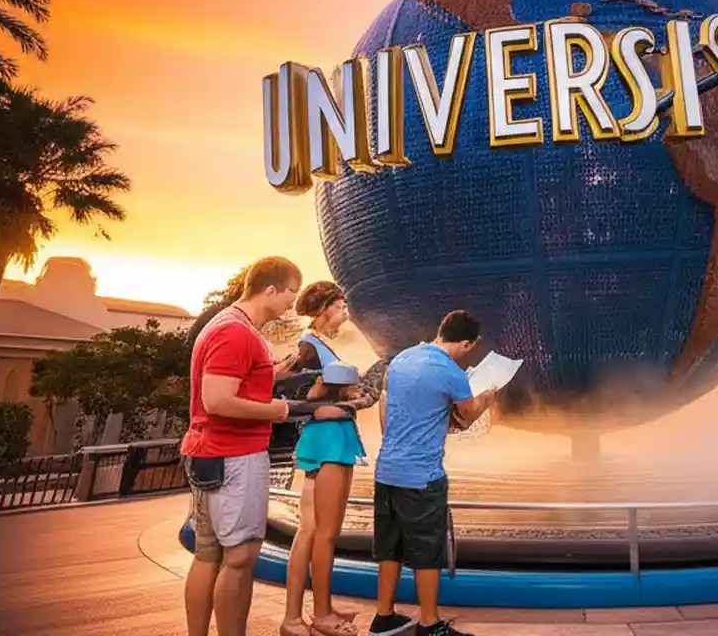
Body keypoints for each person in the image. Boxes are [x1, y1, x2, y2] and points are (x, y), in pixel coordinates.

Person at [181, 257, 349, 636]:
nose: (294, 301)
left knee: (209, 555)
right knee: (239, 559)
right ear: (269, 289)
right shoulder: (236, 333)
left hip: (211, 453)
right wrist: (283, 409)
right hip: (232, 455)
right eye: (291, 291)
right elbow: (217, 401)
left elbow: (232, 384)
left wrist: (272, 375)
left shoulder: (226, 325)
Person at [369, 310, 499, 636]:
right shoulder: (450, 371)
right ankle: (429, 623)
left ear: (440, 331)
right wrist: (486, 399)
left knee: (390, 547)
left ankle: (384, 616)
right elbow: (467, 417)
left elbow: (387, 409)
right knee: (428, 551)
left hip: (387, 471)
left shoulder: (401, 359)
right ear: (467, 343)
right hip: (422, 476)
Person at [281, 282, 378, 636]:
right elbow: (296, 396)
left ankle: (296, 617)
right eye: (341, 306)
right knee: (325, 533)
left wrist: (339, 396)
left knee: (309, 531)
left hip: (322, 441)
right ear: (325, 308)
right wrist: (321, 402)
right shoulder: (309, 347)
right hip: (330, 443)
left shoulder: (317, 345)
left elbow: (309, 394)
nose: (346, 312)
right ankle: (321, 616)